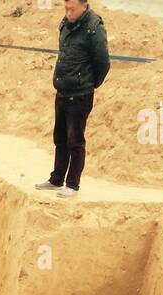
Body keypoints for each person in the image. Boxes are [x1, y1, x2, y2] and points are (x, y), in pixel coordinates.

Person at [36, 0, 110, 198]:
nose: (68, 12)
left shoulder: (94, 28)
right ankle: (57, 179)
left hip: (80, 95)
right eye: (66, 8)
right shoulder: (66, 23)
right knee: (60, 138)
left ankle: (72, 184)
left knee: (75, 141)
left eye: (72, 9)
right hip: (62, 91)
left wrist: (88, 84)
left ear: (84, 6)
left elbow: (103, 63)